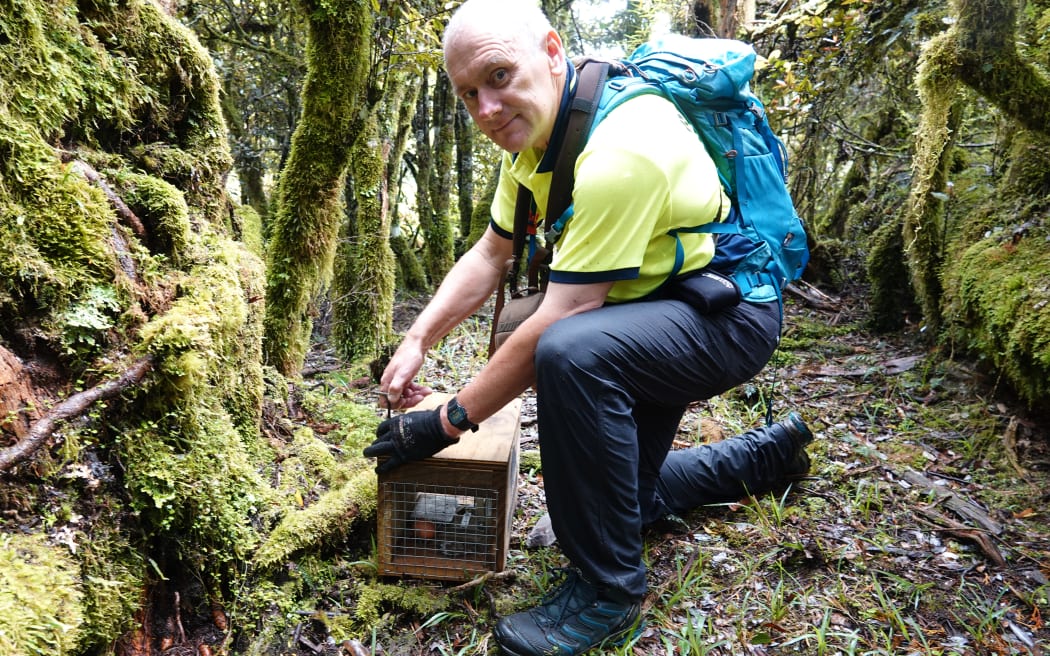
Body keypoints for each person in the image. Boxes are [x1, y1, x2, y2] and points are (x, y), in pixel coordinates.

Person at [363, 1, 814, 654]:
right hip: (656, 304)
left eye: (497, 76)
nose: (486, 109)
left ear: (551, 52)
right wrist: (417, 339)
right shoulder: (538, 141)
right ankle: (762, 457)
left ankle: (609, 590)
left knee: (570, 352)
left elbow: (564, 318)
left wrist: (443, 423)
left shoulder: (621, 147)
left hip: (730, 314)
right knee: (623, 497)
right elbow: (492, 252)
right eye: (468, 95)